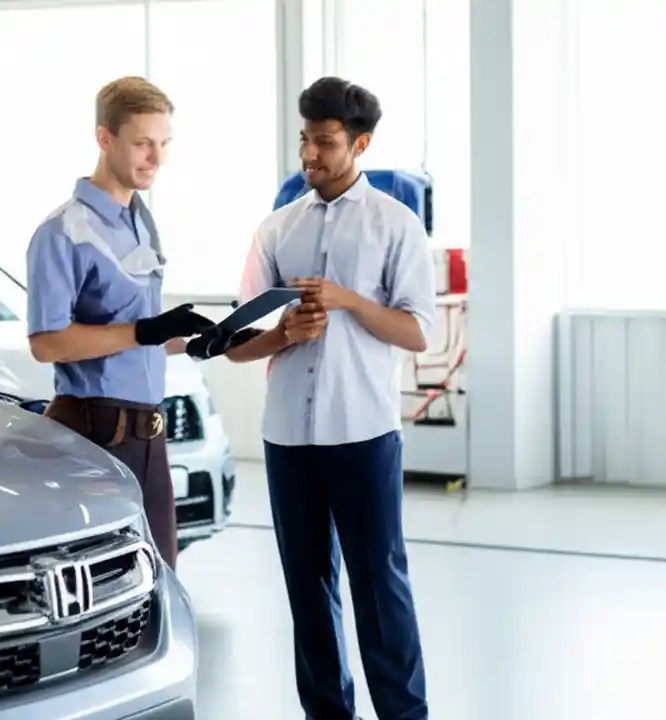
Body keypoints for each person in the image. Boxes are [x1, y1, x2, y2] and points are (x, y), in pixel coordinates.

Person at [200, 76, 436, 720]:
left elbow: (419, 330)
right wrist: (284, 332)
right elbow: (234, 343)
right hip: (288, 441)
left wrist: (350, 301)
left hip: (363, 434)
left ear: (360, 144)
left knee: (380, 590)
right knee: (308, 590)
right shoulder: (275, 230)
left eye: (325, 142)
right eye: (305, 139)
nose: (309, 155)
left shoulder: (397, 226)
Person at [26, 76, 214, 570]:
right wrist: (142, 332)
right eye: (142, 144)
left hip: (149, 436)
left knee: (162, 577)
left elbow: (137, 337)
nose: (156, 158)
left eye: (164, 143)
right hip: (96, 433)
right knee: (110, 581)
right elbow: (47, 343)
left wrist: (196, 340)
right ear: (104, 139)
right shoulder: (62, 232)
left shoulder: (139, 220)